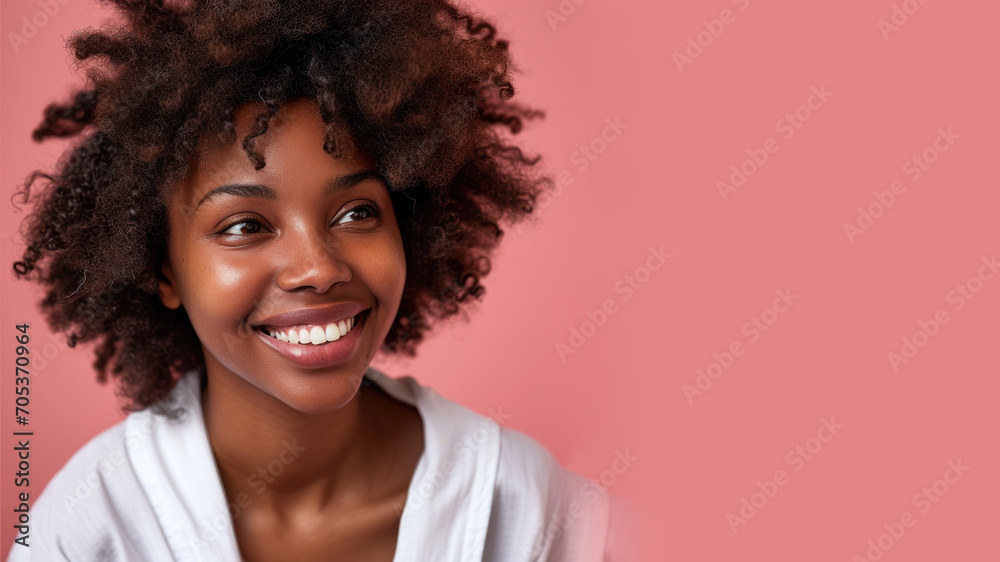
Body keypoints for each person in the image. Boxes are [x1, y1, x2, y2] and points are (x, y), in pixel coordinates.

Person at [7, 0, 632, 560]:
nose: (318, 268)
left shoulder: (523, 507)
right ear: (163, 271)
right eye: (244, 225)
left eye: (358, 212)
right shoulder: (88, 527)